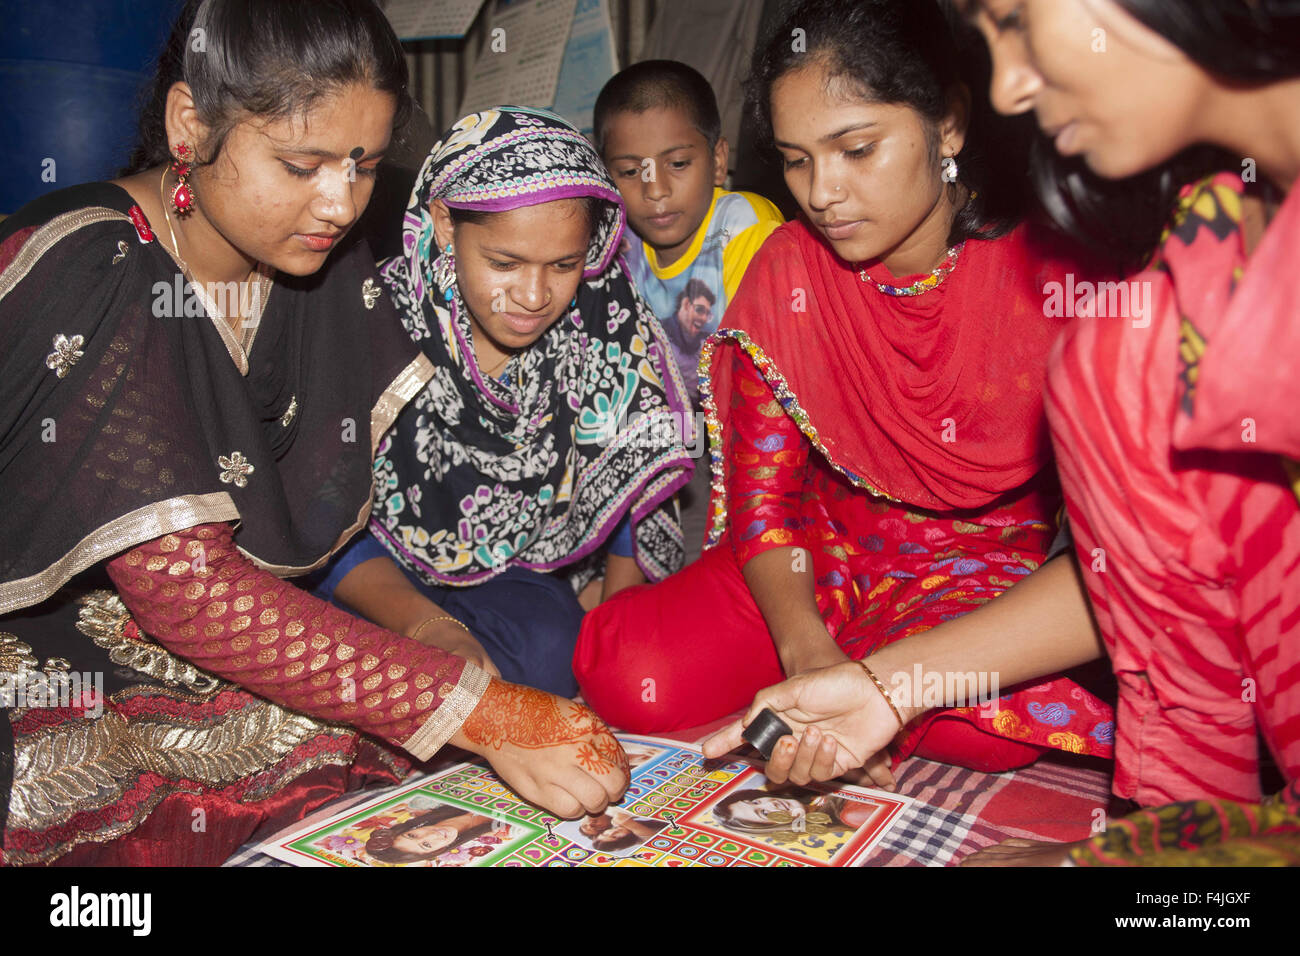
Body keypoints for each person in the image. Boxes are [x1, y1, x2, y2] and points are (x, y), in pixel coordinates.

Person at [0, 0, 626, 867]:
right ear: (190, 124)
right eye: (302, 164)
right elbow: (185, 590)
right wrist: (480, 708)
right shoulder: (101, 265)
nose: (339, 202)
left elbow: (318, 515)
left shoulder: (320, 272)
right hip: (45, 635)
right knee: (104, 798)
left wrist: (440, 655)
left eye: (364, 164)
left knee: (359, 758)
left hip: (180, 634)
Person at [712, 0, 1300, 867]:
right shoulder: (1179, 286)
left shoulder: (1084, 284)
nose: (1012, 85)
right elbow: (1165, 632)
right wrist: (1119, 869)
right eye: (800, 161)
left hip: (986, 579)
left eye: (1019, 19)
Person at [575, 0, 1113, 778]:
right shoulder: (789, 268)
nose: (822, 192)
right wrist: (807, 655)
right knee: (631, 672)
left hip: (982, 575)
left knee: (977, 724)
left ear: (951, 123)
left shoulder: (1050, 268)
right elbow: (764, 507)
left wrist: (873, 683)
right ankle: (866, 676)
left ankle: (889, 680)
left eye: (856, 149)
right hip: (817, 564)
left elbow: (1110, 551)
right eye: (796, 160)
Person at [310, 106, 694, 697]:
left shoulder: (603, 314)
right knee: (336, 660)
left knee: (553, 656)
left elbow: (637, 474)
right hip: (368, 566)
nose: (535, 296)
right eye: (504, 263)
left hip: (513, 565)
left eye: (563, 264)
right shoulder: (369, 318)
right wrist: (428, 627)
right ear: (444, 223)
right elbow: (315, 511)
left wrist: (616, 630)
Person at [594, 60, 784, 400]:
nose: (655, 190)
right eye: (630, 171)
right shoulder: (615, 244)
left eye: (678, 164)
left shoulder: (744, 228)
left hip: (751, 416)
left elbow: (768, 373)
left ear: (718, 161)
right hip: (669, 423)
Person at [364, 805, 499, 864]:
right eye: (426, 845)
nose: (431, 835)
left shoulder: (430, 806)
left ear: (412, 828)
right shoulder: (495, 835)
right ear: (437, 851)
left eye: (412, 835)